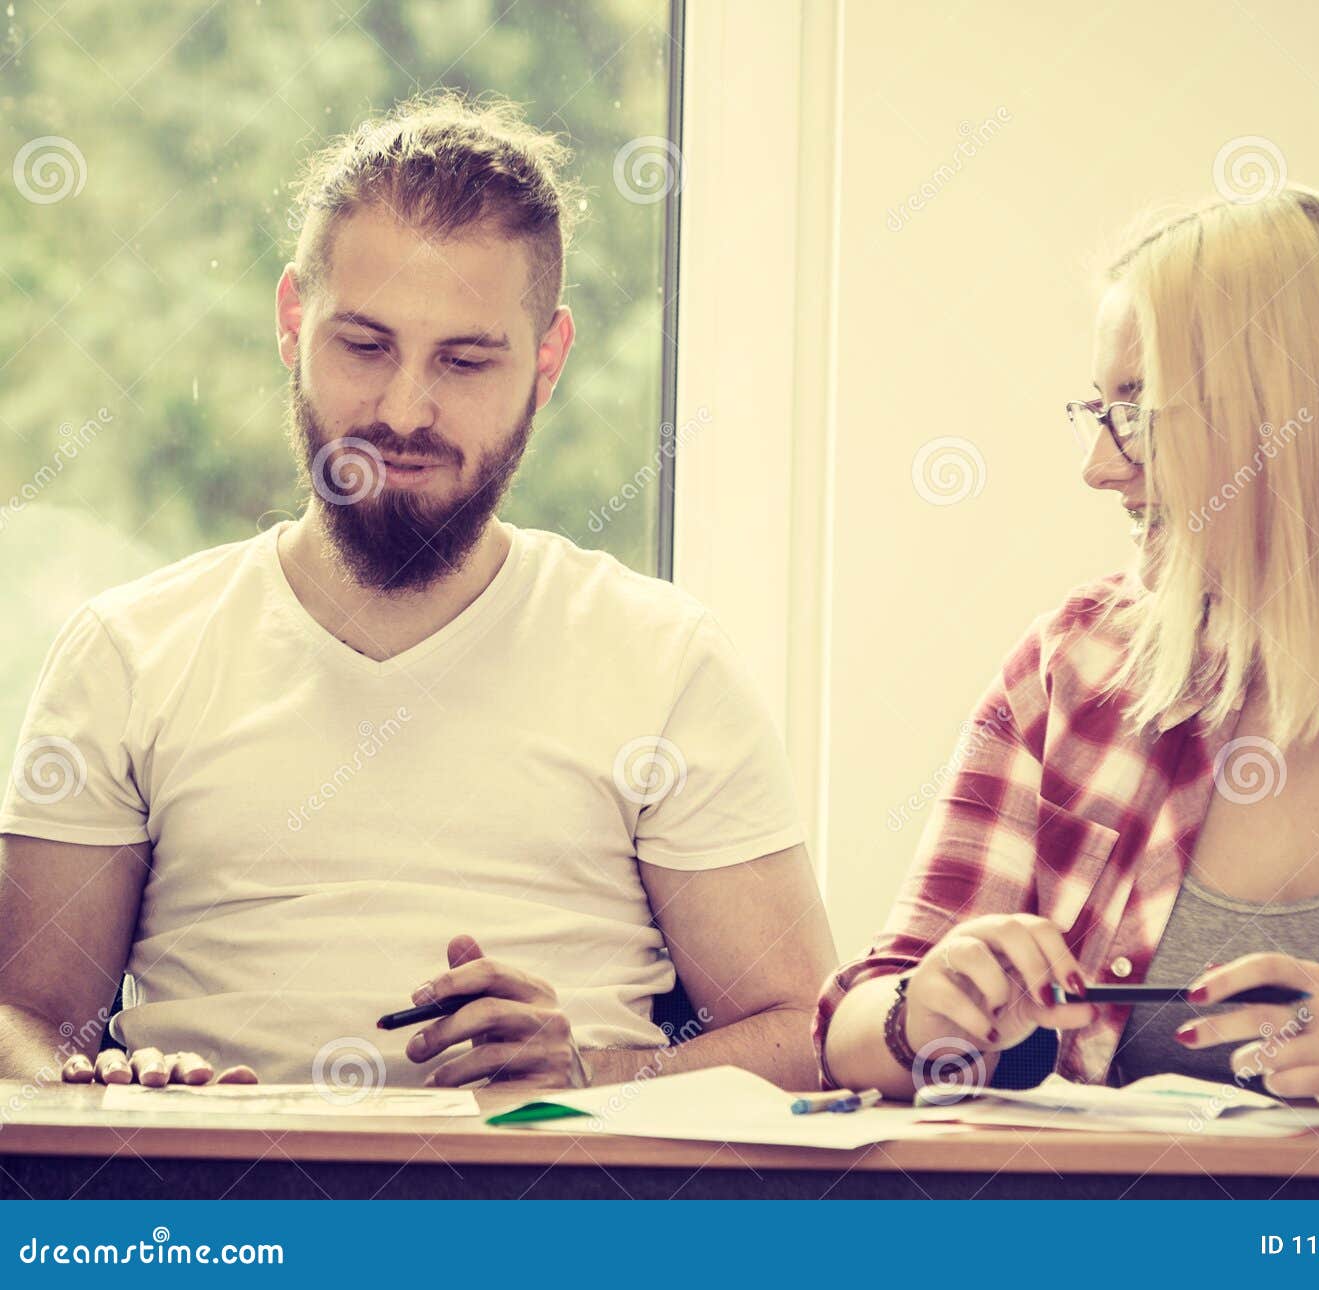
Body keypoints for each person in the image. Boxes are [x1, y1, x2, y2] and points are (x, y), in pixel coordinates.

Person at [0, 91, 835, 1092]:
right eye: (364, 346)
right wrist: (102, 1091)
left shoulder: (662, 660)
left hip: (546, 1209)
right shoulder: (127, 653)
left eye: (466, 359)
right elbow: (27, 1024)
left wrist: (590, 1069)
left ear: (547, 363)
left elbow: (803, 1034)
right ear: (290, 322)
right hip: (217, 1210)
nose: (405, 411)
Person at [817, 185, 1319, 1118]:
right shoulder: (1071, 668)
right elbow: (850, 1029)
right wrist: (921, 1013)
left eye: (1140, 410)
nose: (1099, 466)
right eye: (1098, 410)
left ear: (1291, 423)